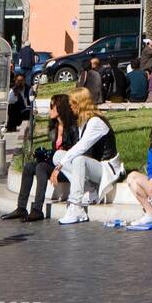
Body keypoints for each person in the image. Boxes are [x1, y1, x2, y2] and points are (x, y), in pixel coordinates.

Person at [51, 88, 124, 224]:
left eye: (72, 104)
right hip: (93, 166)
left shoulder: (96, 122)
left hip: (106, 169)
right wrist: (60, 162)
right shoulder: (82, 121)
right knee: (58, 155)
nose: (70, 107)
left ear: (80, 104)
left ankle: (76, 206)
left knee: (78, 159)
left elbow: (81, 147)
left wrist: (59, 167)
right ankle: (89, 190)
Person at [1, 93, 78, 223]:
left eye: (51, 107)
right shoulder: (54, 127)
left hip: (67, 168)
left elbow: (74, 153)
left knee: (41, 167)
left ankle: (37, 210)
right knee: (29, 166)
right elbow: (55, 151)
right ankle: (21, 207)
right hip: (56, 164)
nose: (49, 110)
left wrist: (57, 166)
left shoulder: (73, 128)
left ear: (60, 108)